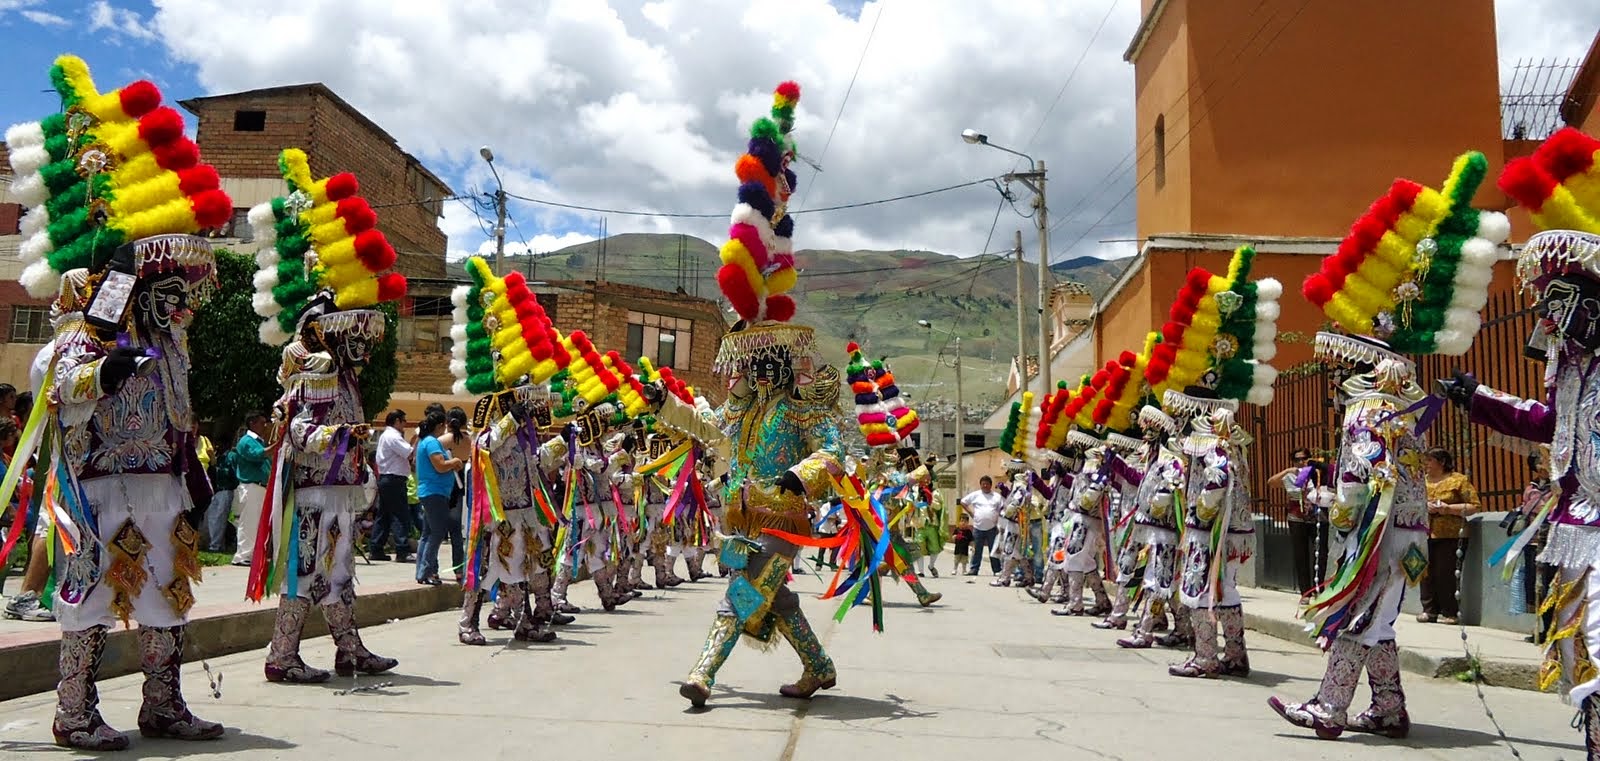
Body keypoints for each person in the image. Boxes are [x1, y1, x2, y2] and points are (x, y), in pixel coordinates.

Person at [8, 54, 233, 748]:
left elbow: (180, 412)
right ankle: (73, 709)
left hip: (160, 489)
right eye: (167, 294)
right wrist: (106, 368)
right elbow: (58, 386)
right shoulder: (89, 335)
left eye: (182, 295)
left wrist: (190, 468)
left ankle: (162, 702)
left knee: (170, 596)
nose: (180, 304)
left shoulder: (171, 348)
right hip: (96, 491)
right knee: (92, 603)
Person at [1272, 149, 1506, 740]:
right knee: (1378, 623)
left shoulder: (1371, 412)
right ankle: (1391, 708)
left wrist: (1320, 499)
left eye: (1337, 367)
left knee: (1358, 618)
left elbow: (1360, 488)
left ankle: (1330, 707)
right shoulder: (1394, 408)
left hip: (1379, 535)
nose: (1332, 377)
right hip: (1402, 533)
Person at [680, 80, 848, 708]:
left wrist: (801, 480)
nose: (745, 372)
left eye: (754, 363)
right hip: (740, 514)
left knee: (744, 597)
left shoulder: (801, 405)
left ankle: (703, 675)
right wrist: (659, 404)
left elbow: (832, 451)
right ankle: (819, 667)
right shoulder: (745, 409)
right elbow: (708, 424)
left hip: (782, 517)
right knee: (773, 596)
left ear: (772, 360)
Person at [250, 147, 403, 685]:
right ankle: (281, 656)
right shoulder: (315, 368)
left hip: (339, 489)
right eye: (356, 334)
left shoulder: (347, 377)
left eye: (367, 335)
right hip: (312, 492)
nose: (364, 345)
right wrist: (344, 435)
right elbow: (294, 430)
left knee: (337, 575)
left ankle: (348, 649)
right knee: (303, 576)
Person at [1417, 448, 1480, 624]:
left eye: (1429, 460)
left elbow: (1474, 505)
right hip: (1426, 532)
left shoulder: (1458, 480)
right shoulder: (1421, 482)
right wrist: (1424, 507)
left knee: (1446, 573)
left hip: (1451, 533)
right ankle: (1429, 610)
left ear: (1442, 462)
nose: (1426, 464)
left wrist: (1448, 509)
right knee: (1425, 572)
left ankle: (1450, 611)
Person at [1270, 447, 1331, 596]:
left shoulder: (1317, 473)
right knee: (1301, 555)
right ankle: (1305, 591)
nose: (1300, 462)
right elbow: (1271, 482)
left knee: (1320, 553)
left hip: (1317, 517)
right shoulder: (1290, 477)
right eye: (1297, 460)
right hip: (1297, 517)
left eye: (1303, 459)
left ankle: (1318, 588)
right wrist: (1286, 471)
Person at [415, 411, 462, 586]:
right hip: (435, 492)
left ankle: (423, 570)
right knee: (437, 533)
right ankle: (427, 571)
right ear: (439, 426)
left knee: (428, 533)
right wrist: (455, 462)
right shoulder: (432, 443)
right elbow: (440, 466)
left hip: (431, 492)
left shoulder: (424, 441)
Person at [370, 409, 414, 562]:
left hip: (387, 479)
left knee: (384, 515)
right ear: (397, 421)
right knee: (399, 514)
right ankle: (402, 549)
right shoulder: (393, 436)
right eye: (403, 421)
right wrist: (417, 437)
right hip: (394, 479)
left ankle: (376, 547)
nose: (405, 424)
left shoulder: (385, 435)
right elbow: (409, 452)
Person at [229, 412, 270, 566]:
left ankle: (252, 554)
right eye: (262, 422)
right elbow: (259, 455)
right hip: (251, 487)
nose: (265, 426)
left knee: (257, 523)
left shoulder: (259, 441)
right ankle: (242, 555)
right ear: (252, 423)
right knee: (249, 523)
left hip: (259, 488)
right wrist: (278, 445)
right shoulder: (247, 441)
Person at [437, 406, 470, 582]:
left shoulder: (441, 441)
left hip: (444, 484)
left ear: (448, 422)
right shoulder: (470, 441)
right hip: (463, 485)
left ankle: (432, 569)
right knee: (457, 532)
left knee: (433, 530)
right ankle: (459, 568)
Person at [202, 427, 238, 552]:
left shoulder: (231, 456)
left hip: (226, 490)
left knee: (219, 518)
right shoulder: (217, 456)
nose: (218, 446)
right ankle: (215, 543)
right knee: (212, 518)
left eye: (221, 443)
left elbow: (233, 473)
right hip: (216, 490)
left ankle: (215, 546)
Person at [959, 475, 1004, 576]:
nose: (985, 486)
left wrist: (999, 522)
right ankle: (974, 569)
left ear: (990, 485)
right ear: (980, 485)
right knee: (976, 550)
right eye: (983, 484)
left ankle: (997, 570)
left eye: (987, 484)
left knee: (994, 549)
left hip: (992, 528)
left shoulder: (996, 496)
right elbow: (963, 502)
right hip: (978, 528)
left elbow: (1002, 508)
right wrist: (971, 513)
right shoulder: (976, 495)